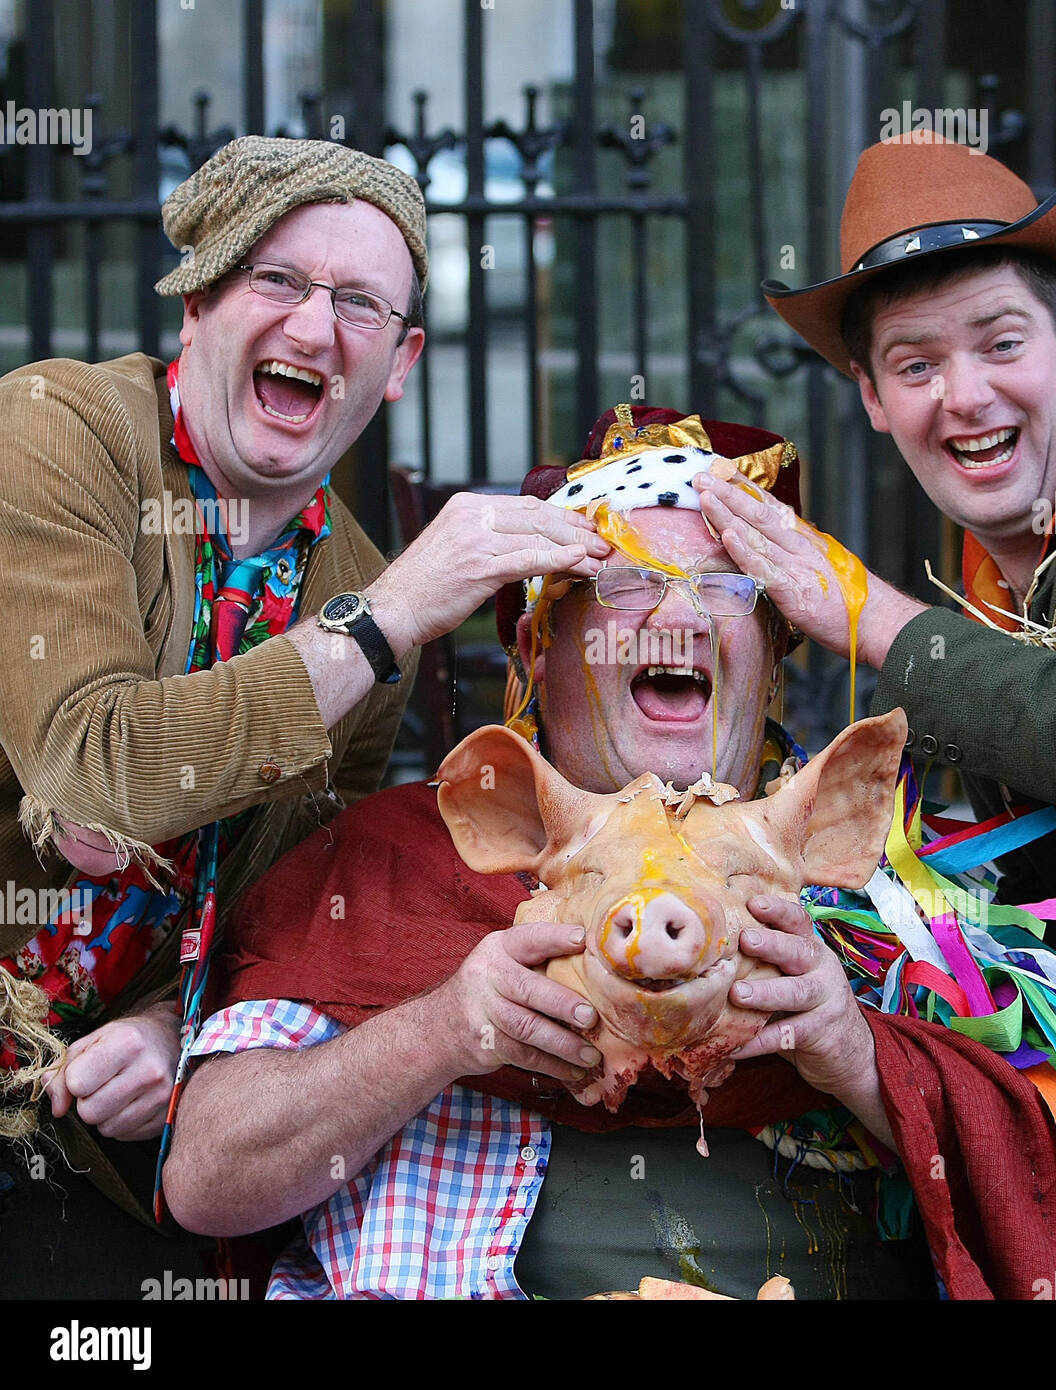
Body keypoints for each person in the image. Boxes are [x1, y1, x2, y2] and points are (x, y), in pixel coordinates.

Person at [160, 406, 1056, 1300]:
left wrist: (858, 1056)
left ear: (772, 659)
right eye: (627, 581)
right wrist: (449, 1029)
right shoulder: (391, 861)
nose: (680, 614)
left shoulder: (891, 885)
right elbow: (208, 1175)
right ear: (534, 653)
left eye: (730, 588)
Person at [0, 135, 609, 1291]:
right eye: (278, 279)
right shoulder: (58, 430)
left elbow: (269, 910)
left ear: (399, 362)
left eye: (361, 303)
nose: (317, 327)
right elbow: (88, 774)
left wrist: (167, 1029)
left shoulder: (361, 581)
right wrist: (380, 625)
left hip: (110, 1143)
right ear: (195, 307)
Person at [695, 131, 1056, 1296]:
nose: (962, 395)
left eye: (1001, 343)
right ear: (871, 398)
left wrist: (871, 617)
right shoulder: (969, 583)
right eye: (913, 365)